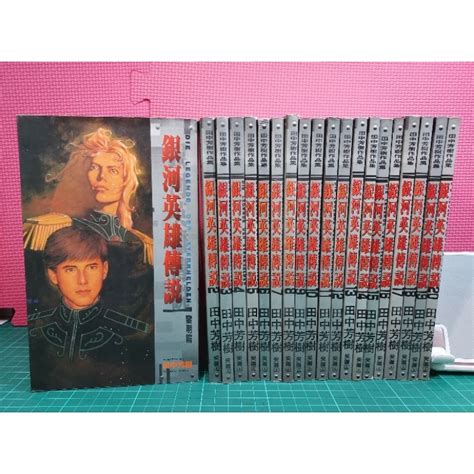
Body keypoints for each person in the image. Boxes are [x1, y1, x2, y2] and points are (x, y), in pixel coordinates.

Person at [27, 226, 154, 391]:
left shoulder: (133, 334)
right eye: (70, 269)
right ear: (53, 275)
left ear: (104, 270)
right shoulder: (34, 329)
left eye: (92, 267)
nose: (82, 280)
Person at [23, 127, 153, 264]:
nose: (101, 176)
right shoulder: (55, 228)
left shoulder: (140, 243)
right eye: (94, 168)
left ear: (125, 181)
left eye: (113, 170)